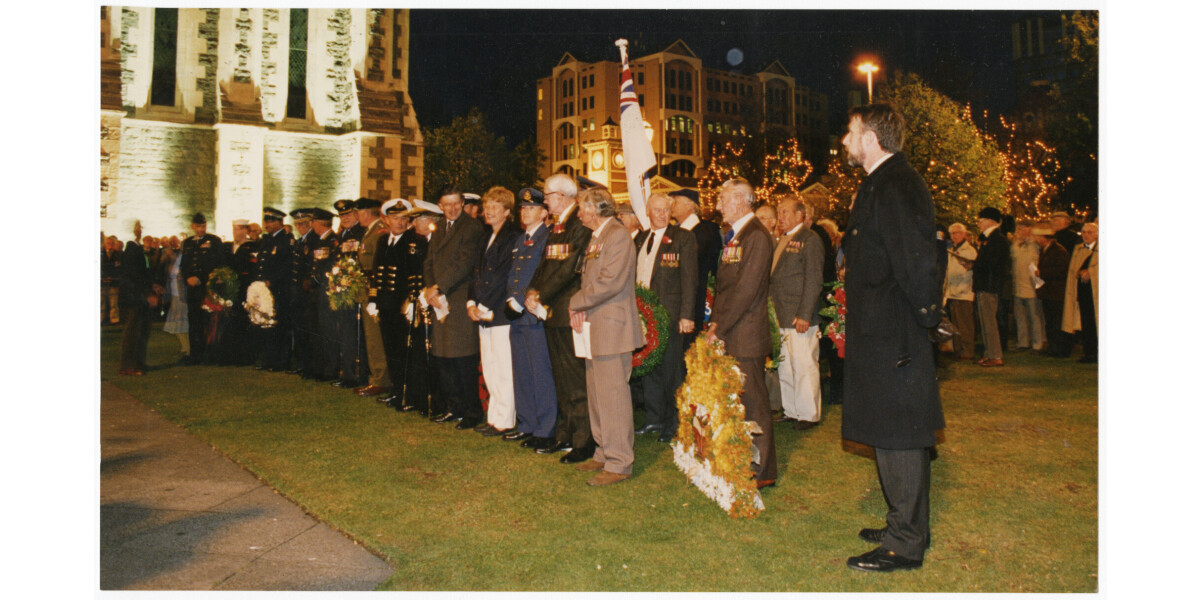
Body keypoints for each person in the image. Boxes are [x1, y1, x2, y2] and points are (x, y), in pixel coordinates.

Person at [839, 103, 943, 573]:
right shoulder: (878, 182)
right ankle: (904, 521)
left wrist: (922, 323)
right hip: (879, 332)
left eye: (851, 132)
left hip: (894, 335)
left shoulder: (897, 183)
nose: (845, 140)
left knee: (900, 435)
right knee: (887, 430)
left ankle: (905, 542)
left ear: (870, 138)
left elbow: (919, 261)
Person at [568, 187, 644, 486]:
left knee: (613, 397)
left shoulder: (617, 235)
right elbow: (592, 278)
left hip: (613, 328)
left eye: (581, 208)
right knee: (598, 395)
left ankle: (619, 462)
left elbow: (610, 282)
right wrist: (583, 308)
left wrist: (576, 302)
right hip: (596, 326)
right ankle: (603, 453)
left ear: (596, 209)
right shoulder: (599, 235)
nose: (578, 213)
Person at [705, 178, 776, 489]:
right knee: (737, 401)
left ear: (741, 201)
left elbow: (746, 290)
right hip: (732, 330)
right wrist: (716, 324)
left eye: (723, 199)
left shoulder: (756, 236)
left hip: (745, 334)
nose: (718, 205)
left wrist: (721, 326)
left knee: (755, 402)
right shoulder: (734, 236)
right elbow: (725, 288)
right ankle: (741, 460)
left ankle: (763, 471)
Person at [525, 173, 596, 463]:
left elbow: (569, 269)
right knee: (561, 378)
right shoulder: (557, 226)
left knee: (575, 378)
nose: (546, 200)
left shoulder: (579, 225)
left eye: (549, 195)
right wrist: (532, 290)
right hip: (552, 312)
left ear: (564, 196)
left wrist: (541, 295)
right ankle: (565, 434)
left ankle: (584, 440)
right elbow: (545, 264)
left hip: (569, 311)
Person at [632, 193, 697, 443]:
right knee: (649, 369)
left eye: (665, 210)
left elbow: (690, 280)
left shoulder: (683, 238)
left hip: (670, 316)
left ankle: (675, 422)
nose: (661, 214)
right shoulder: (640, 238)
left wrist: (687, 315)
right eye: (656, 210)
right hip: (643, 317)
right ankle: (654, 419)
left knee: (672, 371)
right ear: (647, 212)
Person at [424, 186, 488, 430]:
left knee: (462, 358)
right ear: (440, 206)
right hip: (438, 298)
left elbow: (464, 264)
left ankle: (471, 411)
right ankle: (454, 407)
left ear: (462, 204)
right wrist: (430, 287)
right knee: (443, 357)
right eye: (446, 204)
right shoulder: (438, 227)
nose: (451, 209)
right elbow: (429, 261)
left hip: (458, 298)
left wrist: (438, 287)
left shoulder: (471, 227)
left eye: (455, 204)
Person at [502, 188, 559, 451]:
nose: (525, 212)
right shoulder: (520, 239)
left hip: (533, 314)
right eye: (523, 208)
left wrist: (522, 297)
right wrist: (510, 298)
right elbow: (514, 274)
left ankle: (545, 428)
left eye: (532, 208)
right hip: (516, 315)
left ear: (544, 212)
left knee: (540, 373)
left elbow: (541, 274)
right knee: (522, 372)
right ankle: (526, 423)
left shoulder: (548, 238)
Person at [467, 186, 522, 436]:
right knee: (489, 366)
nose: (488, 211)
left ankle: (505, 420)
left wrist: (483, 305)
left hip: (499, 312)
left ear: (507, 211)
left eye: (494, 207)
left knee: (503, 368)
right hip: (482, 311)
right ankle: (494, 417)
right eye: (486, 206)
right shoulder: (485, 236)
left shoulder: (513, 236)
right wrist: (470, 302)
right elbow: (475, 273)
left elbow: (503, 277)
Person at [769, 195, 825, 430]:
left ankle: (809, 414)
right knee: (786, 366)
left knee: (804, 366)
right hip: (781, 314)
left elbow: (814, 280)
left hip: (799, 317)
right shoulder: (782, 239)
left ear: (800, 215)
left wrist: (805, 314)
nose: (780, 217)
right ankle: (792, 410)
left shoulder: (809, 239)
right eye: (779, 212)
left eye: (785, 212)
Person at [353, 198, 393, 397]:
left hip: (373, 290)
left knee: (376, 337)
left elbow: (377, 264)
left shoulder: (378, 231)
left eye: (358, 212)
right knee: (371, 336)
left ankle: (380, 379)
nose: (356, 216)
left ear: (367, 213)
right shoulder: (370, 231)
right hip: (366, 289)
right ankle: (377, 376)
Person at [181, 212, 226, 364]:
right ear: (193, 226)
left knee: (210, 321)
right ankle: (195, 354)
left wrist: (201, 278)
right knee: (194, 321)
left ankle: (212, 354)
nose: (200, 229)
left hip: (207, 287)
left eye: (203, 226)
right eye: (198, 226)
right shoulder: (187, 242)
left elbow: (216, 263)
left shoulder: (214, 241)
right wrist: (188, 277)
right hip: (192, 288)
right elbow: (184, 264)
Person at [332, 199, 367, 389]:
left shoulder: (360, 233)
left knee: (354, 334)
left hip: (354, 291)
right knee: (345, 333)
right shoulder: (343, 235)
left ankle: (356, 374)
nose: (344, 218)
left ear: (356, 214)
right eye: (341, 216)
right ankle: (347, 373)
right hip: (342, 290)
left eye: (348, 214)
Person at [118, 221, 161, 375]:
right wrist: (148, 293)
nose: (140, 231)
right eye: (138, 228)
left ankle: (138, 363)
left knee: (141, 331)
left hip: (137, 296)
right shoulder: (131, 250)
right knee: (133, 332)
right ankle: (128, 365)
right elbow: (134, 275)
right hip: (133, 297)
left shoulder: (138, 250)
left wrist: (152, 286)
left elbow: (143, 273)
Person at [254, 207, 294, 372]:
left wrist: (272, 281)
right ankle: (268, 358)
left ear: (280, 222)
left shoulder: (285, 240)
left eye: (271, 221)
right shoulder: (267, 240)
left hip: (279, 289)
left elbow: (286, 265)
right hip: (265, 289)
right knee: (266, 323)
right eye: (266, 221)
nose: (267, 224)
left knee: (279, 325)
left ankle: (280, 361)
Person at [308, 208, 341, 381]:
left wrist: (315, 280)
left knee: (329, 331)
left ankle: (331, 368)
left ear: (319, 223)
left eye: (312, 221)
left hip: (326, 292)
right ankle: (321, 367)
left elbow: (327, 268)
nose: (311, 224)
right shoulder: (320, 241)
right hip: (318, 292)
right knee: (320, 330)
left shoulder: (331, 241)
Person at [219, 219, 257, 366]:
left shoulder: (251, 246)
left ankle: (245, 356)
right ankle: (229, 354)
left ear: (246, 231)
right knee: (229, 321)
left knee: (243, 322)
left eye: (240, 230)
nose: (237, 233)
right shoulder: (228, 247)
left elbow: (252, 268)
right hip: (229, 290)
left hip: (244, 288)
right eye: (235, 229)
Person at [973, 207, 1007, 367]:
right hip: (983, 284)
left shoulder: (997, 239)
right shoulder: (989, 239)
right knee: (985, 321)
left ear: (991, 221)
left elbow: (993, 264)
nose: (979, 224)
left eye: (981, 220)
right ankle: (989, 353)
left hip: (989, 285)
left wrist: (975, 264)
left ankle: (995, 354)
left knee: (989, 321)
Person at [1031, 223, 1071, 358]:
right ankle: (1052, 346)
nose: (1036, 240)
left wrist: (1042, 273)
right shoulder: (1045, 250)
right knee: (1050, 321)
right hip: (1048, 291)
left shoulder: (1058, 251)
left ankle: (1059, 348)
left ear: (1044, 237)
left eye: (1038, 237)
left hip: (1056, 292)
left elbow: (1061, 271)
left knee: (1056, 321)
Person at [1062, 222, 1098, 363]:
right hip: (1082, 293)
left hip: (1095, 294)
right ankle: (1089, 352)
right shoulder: (1078, 249)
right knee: (1086, 323)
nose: (1086, 235)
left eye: (1089, 232)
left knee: (1095, 323)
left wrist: (1091, 272)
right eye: (1083, 232)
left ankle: (1096, 352)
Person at [943, 222, 977, 361]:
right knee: (955, 325)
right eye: (951, 233)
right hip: (952, 292)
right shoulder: (951, 250)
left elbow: (967, 271)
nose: (954, 236)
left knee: (965, 324)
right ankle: (958, 349)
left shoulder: (969, 250)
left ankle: (968, 350)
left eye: (957, 233)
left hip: (963, 293)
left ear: (963, 234)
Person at [288, 209, 315, 375]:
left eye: (304, 223)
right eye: (298, 224)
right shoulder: (298, 242)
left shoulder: (313, 241)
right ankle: (300, 363)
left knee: (308, 328)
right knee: (298, 328)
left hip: (307, 291)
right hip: (297, 291)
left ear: (310, 223)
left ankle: (308, 364)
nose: (301, 227)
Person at [1010, 220, 1045, 351]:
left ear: (1029, 229)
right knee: (1020, 316)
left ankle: (1038, 342)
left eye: (1021, 228)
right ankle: (1023, 342)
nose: (1018, 231)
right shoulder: (1015, 245)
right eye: (1018, 229)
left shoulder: (1035, 244)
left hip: (1031, 286)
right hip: (1017, 285)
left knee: (1034, 315)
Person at [162, 235, 190, 360]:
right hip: (174, 293)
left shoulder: (187, 260)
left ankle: (188, 349)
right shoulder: (176, 258)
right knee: (176, 322)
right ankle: (184, 348)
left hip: (182, 294)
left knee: (183, 321)